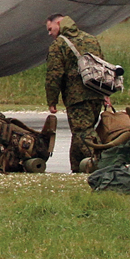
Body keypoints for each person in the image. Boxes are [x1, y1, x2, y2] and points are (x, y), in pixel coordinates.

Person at [43, 13, 108, 173]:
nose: (50, 33)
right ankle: (77, 168)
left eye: (50, 29)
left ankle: (102, 165)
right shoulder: (90, 39)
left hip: (77, 97)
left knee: (83, 132)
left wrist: (52, 101)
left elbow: (54, 75)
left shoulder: (59, 45)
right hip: (97, 94)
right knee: (80, 131)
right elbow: (103, 67)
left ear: (59, 23)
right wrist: (106, 95)